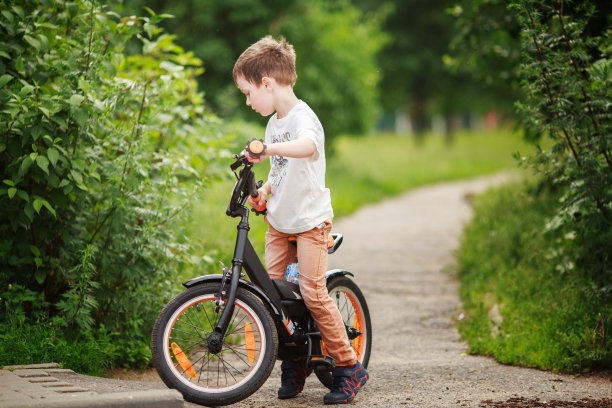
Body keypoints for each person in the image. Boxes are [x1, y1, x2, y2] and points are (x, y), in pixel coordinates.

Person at [232, 36, 369, 405]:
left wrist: (269, 148)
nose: (247, 101)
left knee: (311, 291)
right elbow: (279, 172)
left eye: (248, 92)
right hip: (280, 223)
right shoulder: (274, 125)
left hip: (310, 222)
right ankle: (295, 360)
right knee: (274, 296)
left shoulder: (302, 118)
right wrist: (264, 194)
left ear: (267, 83)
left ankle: (348, 365)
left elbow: (308, 147)